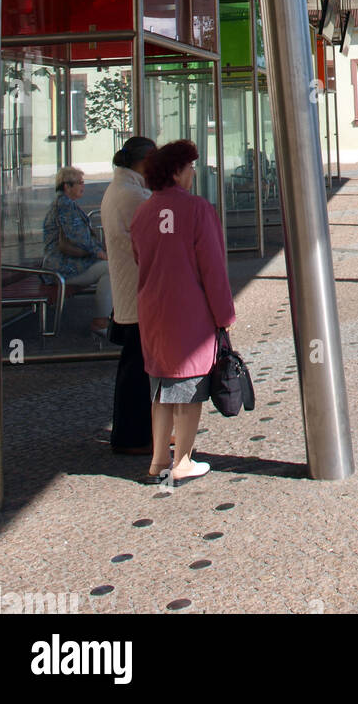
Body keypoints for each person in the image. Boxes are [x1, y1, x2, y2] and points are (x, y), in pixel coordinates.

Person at [131, 140, 235, 485]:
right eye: (190, 167)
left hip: (153, 312)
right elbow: (213, 269)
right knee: (189, 391)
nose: (193, 172)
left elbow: (139, 259)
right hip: (189, 315)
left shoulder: (143, 213)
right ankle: (183, 461)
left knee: (160, 389)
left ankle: (159, 459)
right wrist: (225, 316)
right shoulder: (197, 209)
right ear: (177, 171)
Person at [100, 137, 157, 456]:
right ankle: (132, 436)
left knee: (135, 366)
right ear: (145, 161)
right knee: (137, 370)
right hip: (138, 293)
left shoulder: (123, 189)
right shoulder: (132, 195)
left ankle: (135, 433)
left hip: (130, 292)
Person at [43, 166, 112, 336]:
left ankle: (105, 316)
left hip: (67, 263)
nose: (83, 186)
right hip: (62, 267)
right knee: (110, 269)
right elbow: (78, 237)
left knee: (110, 268)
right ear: (67, 186)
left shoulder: (65, 203)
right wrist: (100, 252)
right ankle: (100, 321)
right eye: (80, 183)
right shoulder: (65, 205)